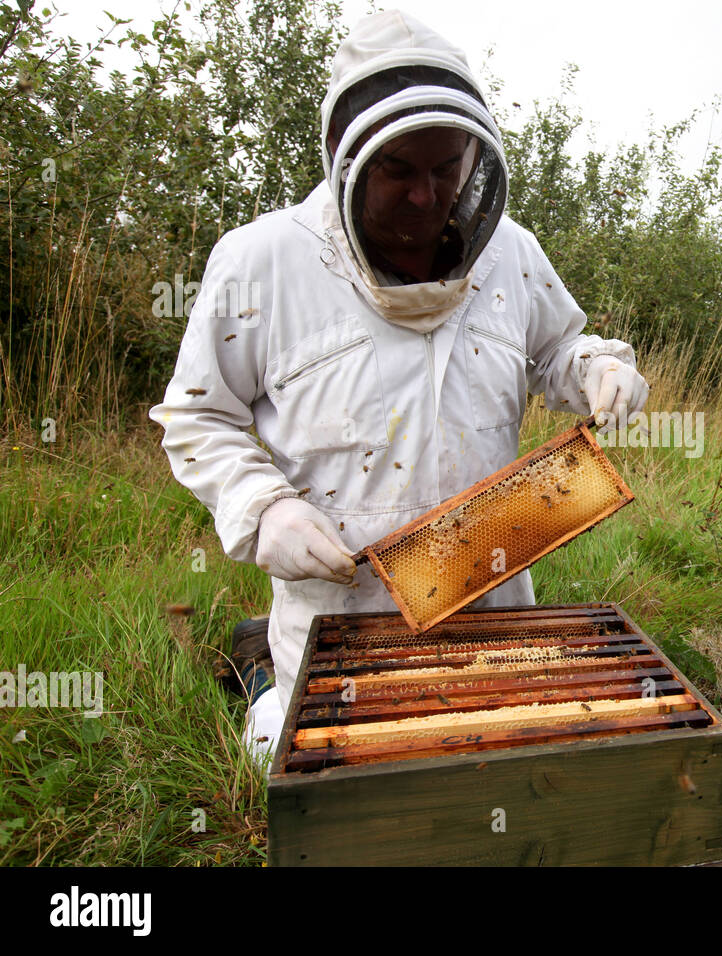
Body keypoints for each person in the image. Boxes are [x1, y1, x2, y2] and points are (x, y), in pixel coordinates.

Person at [148, 10, 648, 766]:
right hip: (340, 612)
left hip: (490, 590)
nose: (428, 197)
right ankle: (265, 688)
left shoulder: (510, 252)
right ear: (346, 161)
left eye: (448, 168)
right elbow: (197, 416)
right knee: (327, 779)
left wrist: (595, 369)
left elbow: (557, 349)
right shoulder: (261, 261)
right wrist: (263, 508)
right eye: (400, 172)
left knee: (486, 777)